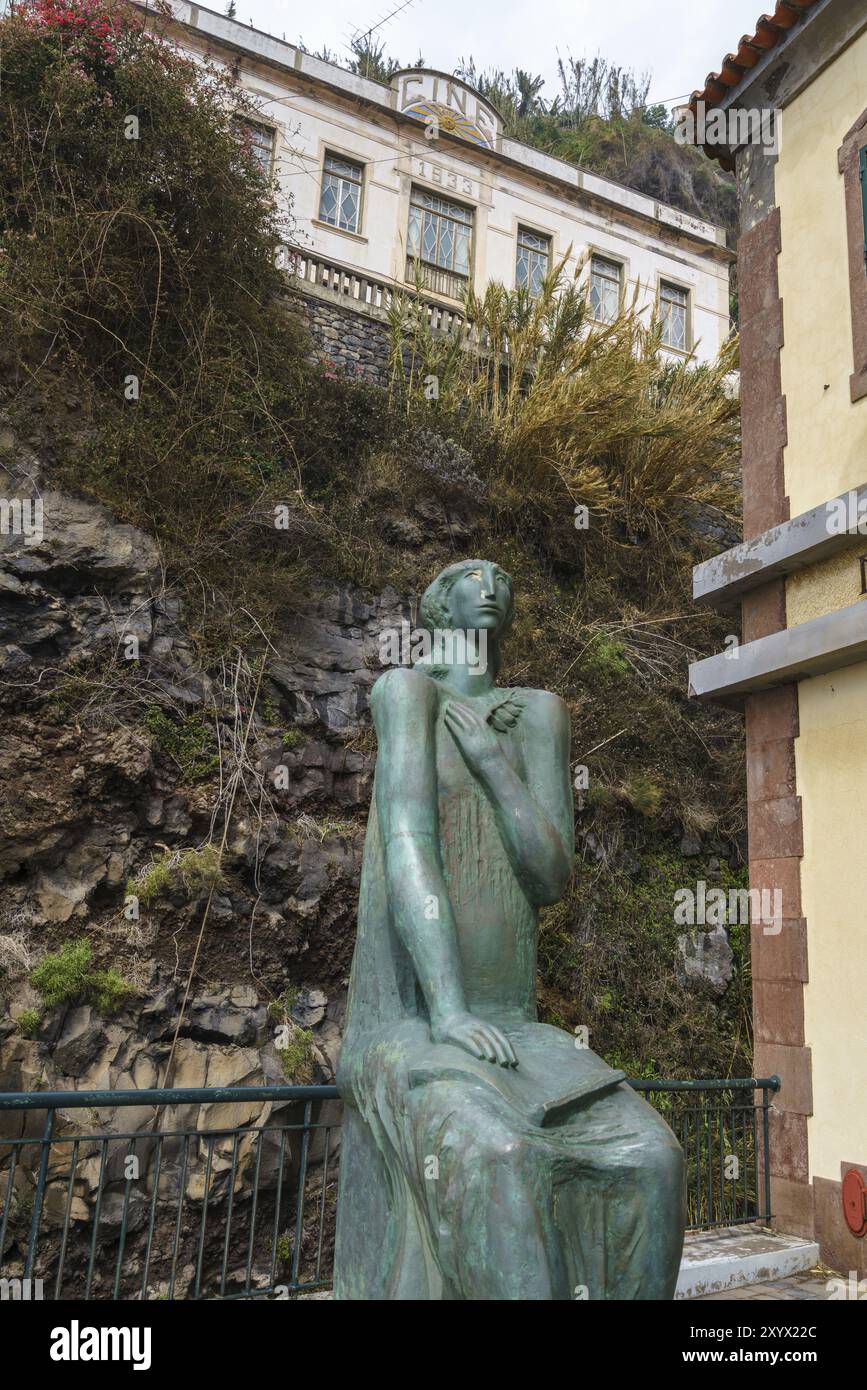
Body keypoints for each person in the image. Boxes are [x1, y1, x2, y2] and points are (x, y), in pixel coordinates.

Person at [334, 559, 685, 1300]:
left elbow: (550, 879)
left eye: (501, 577)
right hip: (418, 1023)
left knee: (652, 1156)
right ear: (437, 604)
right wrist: (450, 1008)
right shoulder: (407, 695)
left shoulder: (538, 714)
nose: (489, 584)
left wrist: (494, 765)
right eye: (469, 576)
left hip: (516, 1033)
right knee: (497, 1154)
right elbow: (408, 850)